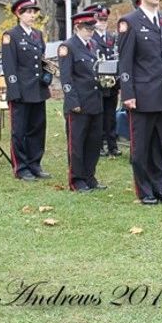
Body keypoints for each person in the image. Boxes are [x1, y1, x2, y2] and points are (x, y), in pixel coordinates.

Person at [117, 0, 162, 205]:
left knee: (159, 146)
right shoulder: (130, 22)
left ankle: (160, 187)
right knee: (141, 147)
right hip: (142, 95)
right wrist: (128, 94)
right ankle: (144, 191)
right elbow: (125, 62)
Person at [2, 0, 52, 181]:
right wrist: (14, 91)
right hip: (21, 91)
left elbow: (43, 59)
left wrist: (48, 74)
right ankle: (21, 167)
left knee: (37, 129)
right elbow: (9, 66)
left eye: (34, 12)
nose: (32, 15)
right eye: (28, 12)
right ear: (19, 14)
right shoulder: (11, 35)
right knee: (20, 131)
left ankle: (35, 164)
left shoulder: (38, 35)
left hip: (38, 89)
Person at [58, 11, 106, 192]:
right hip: (79, 103)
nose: (91, 31)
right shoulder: (68, 47)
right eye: (87, 28)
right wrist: (72, 101)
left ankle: (89, 176)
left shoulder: (93, 45)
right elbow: (66, 78)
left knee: (93, 142)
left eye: (92, 28)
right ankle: (76, 179)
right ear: (77, 27)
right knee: (77, 143)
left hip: (95, 100)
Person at [85, 4, 121, 157]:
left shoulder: (112, 37)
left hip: (112, 81)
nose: (102, 23)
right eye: (100, 20)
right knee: (99, 115)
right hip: (98, 82)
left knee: (111, 114)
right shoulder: (90, 38)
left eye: (105, 20)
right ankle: (98, 144)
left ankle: (112, 144)